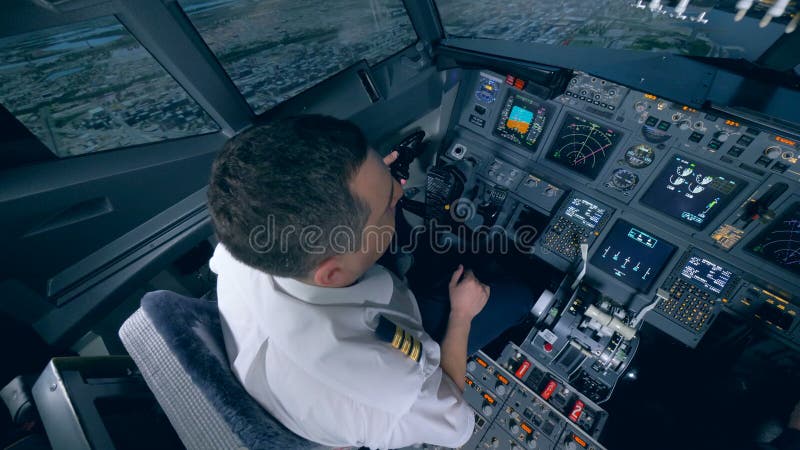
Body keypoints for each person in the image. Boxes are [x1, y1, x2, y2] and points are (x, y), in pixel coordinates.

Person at [206, 115, 544, 449]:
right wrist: (462, 315)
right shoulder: (383, 389)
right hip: (373, 358)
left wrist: (369, 186)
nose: (402, 189)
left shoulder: (247, 232)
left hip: (354, 299)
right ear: (332, 273)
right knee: (517, 295)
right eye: (388, 202)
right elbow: (456, 421)